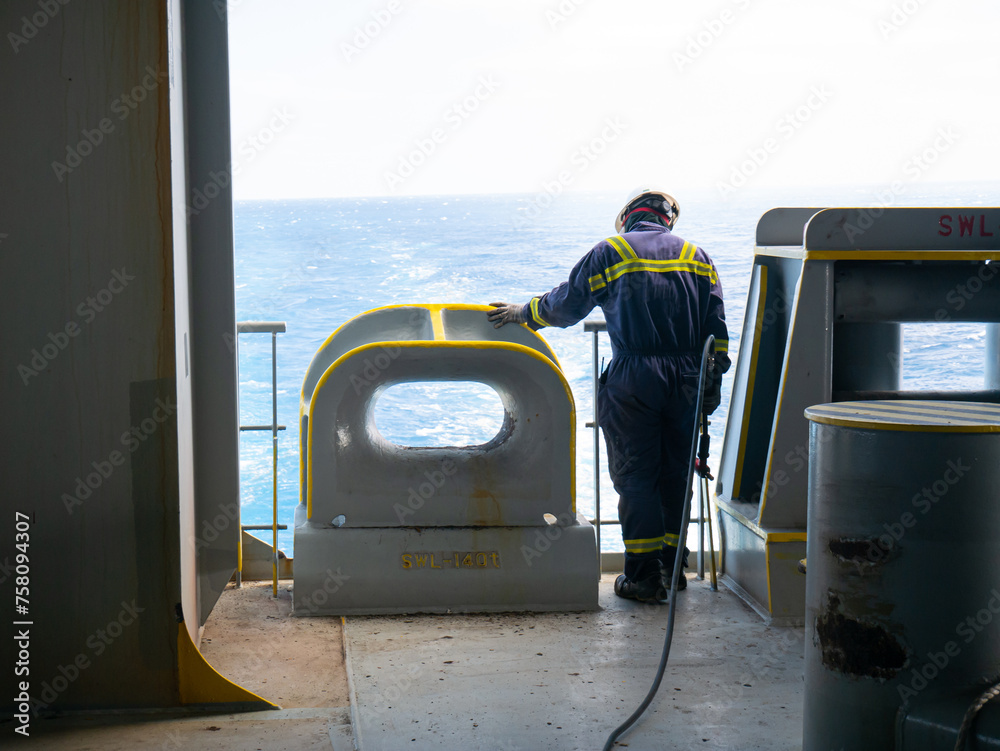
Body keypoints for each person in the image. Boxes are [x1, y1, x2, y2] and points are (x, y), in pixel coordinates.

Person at [488, 188, 730, 603]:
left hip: (634, 379)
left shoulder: (611, 252)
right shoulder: (698, 257)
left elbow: (565, 307)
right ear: (667, 219)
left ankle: (642, 576)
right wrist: (711, 386)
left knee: (636, 477)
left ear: (628, 217)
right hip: (688, 379)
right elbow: (717, 335)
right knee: (676, 475)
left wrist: (521, 313)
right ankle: (673, 569)